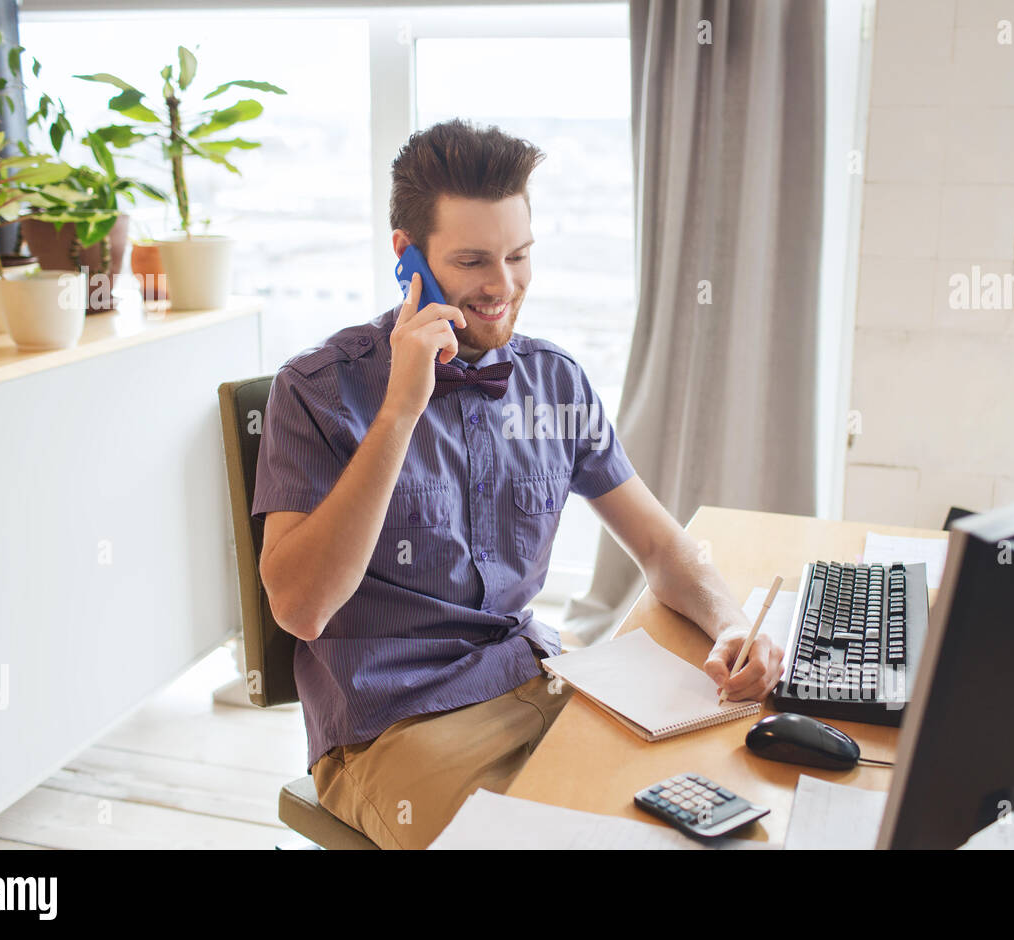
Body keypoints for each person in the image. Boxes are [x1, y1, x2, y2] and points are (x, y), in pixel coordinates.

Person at [251, 118, 782, 849]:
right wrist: (401, 411)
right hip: (394, 728)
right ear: (409, 259)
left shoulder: (553, 379)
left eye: (519, 256)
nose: (503, 287)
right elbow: (302, 608)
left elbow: (662, 546)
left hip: (543, 680)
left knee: (722, 831)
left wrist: (729, 622)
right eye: (473, 262)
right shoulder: (313, 391)